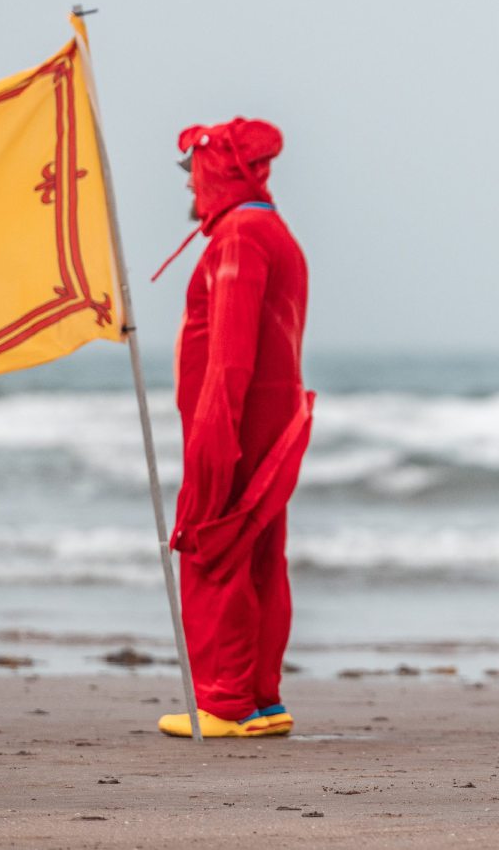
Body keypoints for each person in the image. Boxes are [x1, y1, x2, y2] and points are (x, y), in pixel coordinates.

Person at [154, 117, 313, 739]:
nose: (190, 187)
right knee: (259, 555)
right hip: (269, 421)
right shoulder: (267, 229)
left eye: (192, 171)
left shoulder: (242, 235)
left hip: (237, 423)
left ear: (216, 168)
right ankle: (262, 700)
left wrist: (213, 436)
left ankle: (225, 700)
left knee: (213, 548)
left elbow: (231, 354)